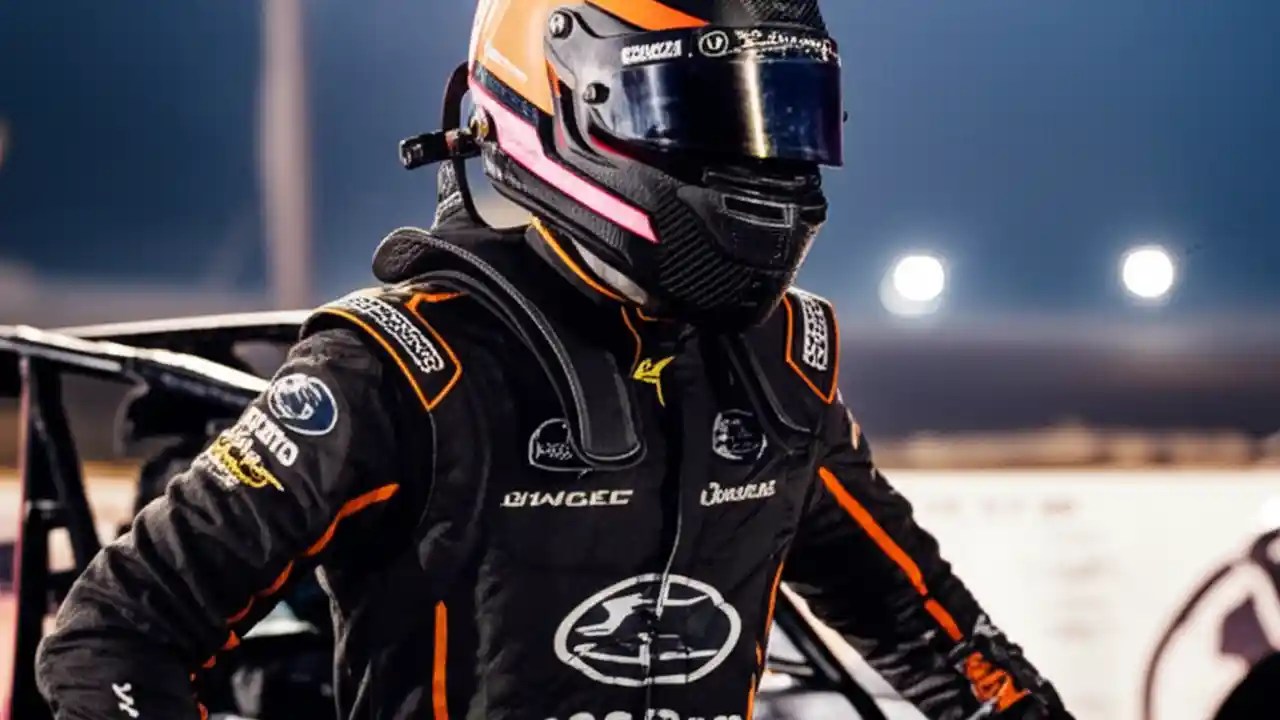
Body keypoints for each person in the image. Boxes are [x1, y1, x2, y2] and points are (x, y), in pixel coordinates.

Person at [36, 2, 1074, 719]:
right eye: (702, 115)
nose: (762, 161)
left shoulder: (778, 365)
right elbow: (109, 638)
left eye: (781, 114)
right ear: (565, 104)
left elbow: (936, 640)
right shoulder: (400, 366)